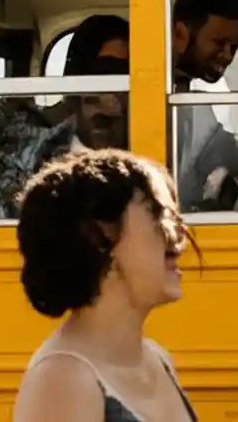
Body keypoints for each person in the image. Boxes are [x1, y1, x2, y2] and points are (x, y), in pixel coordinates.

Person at [12, 149, 197, 421]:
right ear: (101, 236)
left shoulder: (157, 360)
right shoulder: (63, 379)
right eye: (157, 214)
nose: (178, 239)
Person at [0, 15, 130, 220]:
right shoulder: (22, 146)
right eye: (102, 72)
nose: (112, 94)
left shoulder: (152, 148)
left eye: (124, 75)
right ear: (77, 78)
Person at [171, 0, 238, 211]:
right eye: (219, 42)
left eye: (234, 46)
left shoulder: (187, 97)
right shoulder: (145, 97)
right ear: (180, 34)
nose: (228, 55)